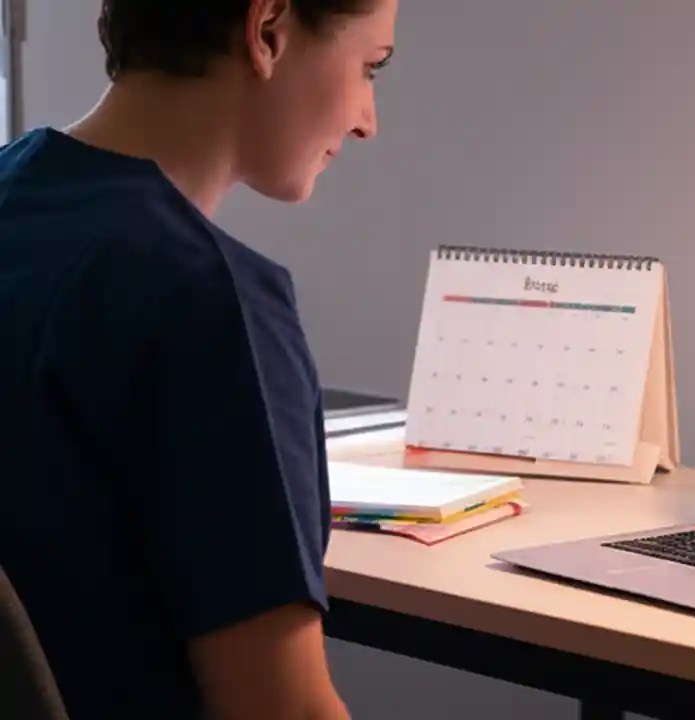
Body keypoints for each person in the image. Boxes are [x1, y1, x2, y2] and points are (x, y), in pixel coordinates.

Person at [0, 0, 398, 717]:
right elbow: (280, 710)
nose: (369, 121)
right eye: (371, 68)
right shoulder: (209, 303)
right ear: (269, 30)